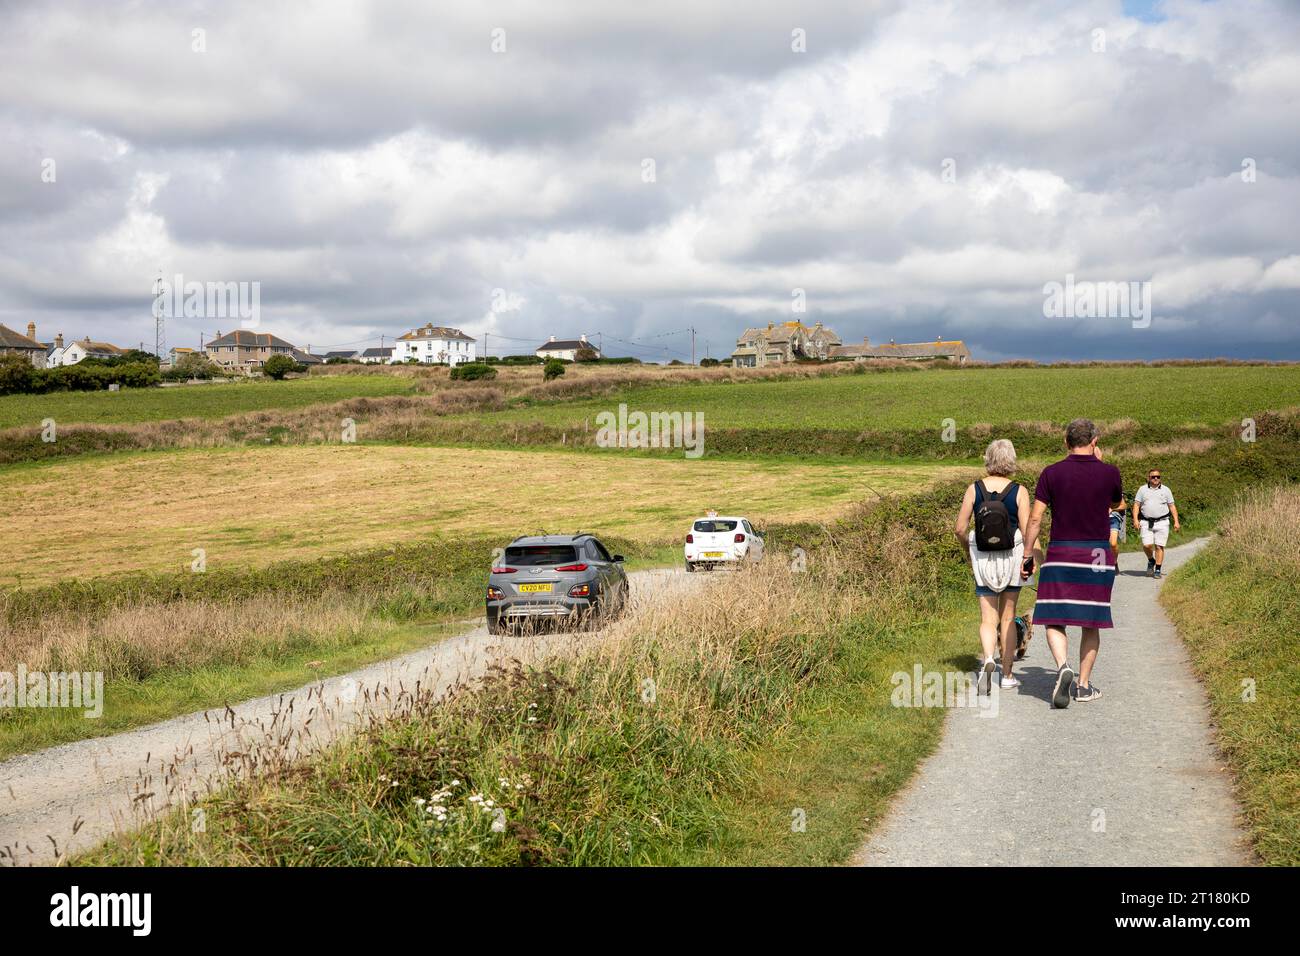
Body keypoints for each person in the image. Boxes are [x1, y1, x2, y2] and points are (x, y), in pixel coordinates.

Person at [1022, 419, 1124, 707]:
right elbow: (1116, 504)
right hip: (1097, 555)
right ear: (1095, 441)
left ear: (1066, 442)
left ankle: (1063, 666)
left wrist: (1028, 554)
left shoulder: (1050, 473)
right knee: (1091, 622)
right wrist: (1100, 465)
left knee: (1054, 616)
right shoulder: (1110, 473)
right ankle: (1082, 685)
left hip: (1060, 553)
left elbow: (1035, 518)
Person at [954, 439, 1035, 694]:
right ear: (1011, 460)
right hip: (1012, 556)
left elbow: (959, 528)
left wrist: (970, 547)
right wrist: (1029, 557)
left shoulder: (974, 489)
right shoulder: (1019, 491)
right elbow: (1026, 529)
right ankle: (1008, 674)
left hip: (983, 558)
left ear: (988, 459)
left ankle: (988, 660)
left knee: (987, 618)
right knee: (1008, 616)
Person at [1132, 468, 1180, 578]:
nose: (1156, 479)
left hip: (1162, 522)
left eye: (1158, 476)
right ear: (1148, 478)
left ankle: (1158, 569)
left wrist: (1176, 521)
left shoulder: (1166, 490)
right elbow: (1136, 505)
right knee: (1147, 545)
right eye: (1153, 477)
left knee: (1159, 546)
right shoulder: (1142, 490)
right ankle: (1151, 560)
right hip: (1145, 521)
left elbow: (1172, 506)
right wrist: (1135, 519)